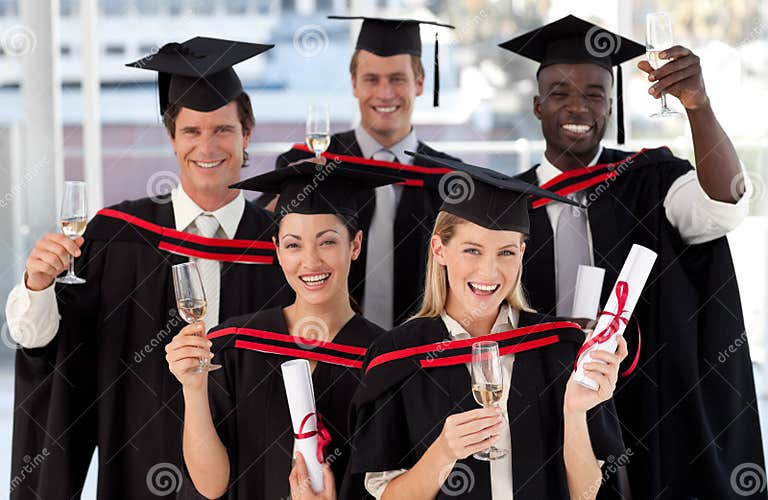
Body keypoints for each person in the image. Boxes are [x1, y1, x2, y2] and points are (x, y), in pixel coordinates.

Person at [6, 37, 292, 499]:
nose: (207, 146)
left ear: (247, 134)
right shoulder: (119, 239)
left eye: (222, 129)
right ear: (172, 138)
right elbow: (51, 351)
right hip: (140, 474)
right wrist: (37, 287)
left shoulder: (282, 248)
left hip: (257, 478)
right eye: (191, 131)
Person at [499, 15, 764, 498]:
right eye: (559, 93)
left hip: (639, 397)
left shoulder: (651, 179)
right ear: (538, 106)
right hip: (534, 400)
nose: (578, 105)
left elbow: (723, 206)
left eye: (594, 94)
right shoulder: (503, 203)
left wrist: (699, 107)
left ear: (611, 105)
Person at [346, 153, 628, 499]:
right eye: (472, 250)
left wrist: (574, 411)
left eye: (506, 252)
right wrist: (443, 453)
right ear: (439, 249)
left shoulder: (560, 346)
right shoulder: (397, 356)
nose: (489, 271)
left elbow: (586, 494)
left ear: (522, 253)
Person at [166, 158, 401, 499]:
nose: (311, 261)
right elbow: (211, 486)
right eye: (293, 245)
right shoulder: (235, 346)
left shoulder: (386, 361)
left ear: (355, 245)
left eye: (327, 242)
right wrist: (193, 388)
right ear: (277, 250)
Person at [266, 16, 461, 329]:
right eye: (371, 79)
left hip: (420, 348)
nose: (385, 93)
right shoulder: (305, 165)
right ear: (354, 84)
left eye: (397, 79)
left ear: (419, 83)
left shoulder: (450, 180)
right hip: (326, 343)